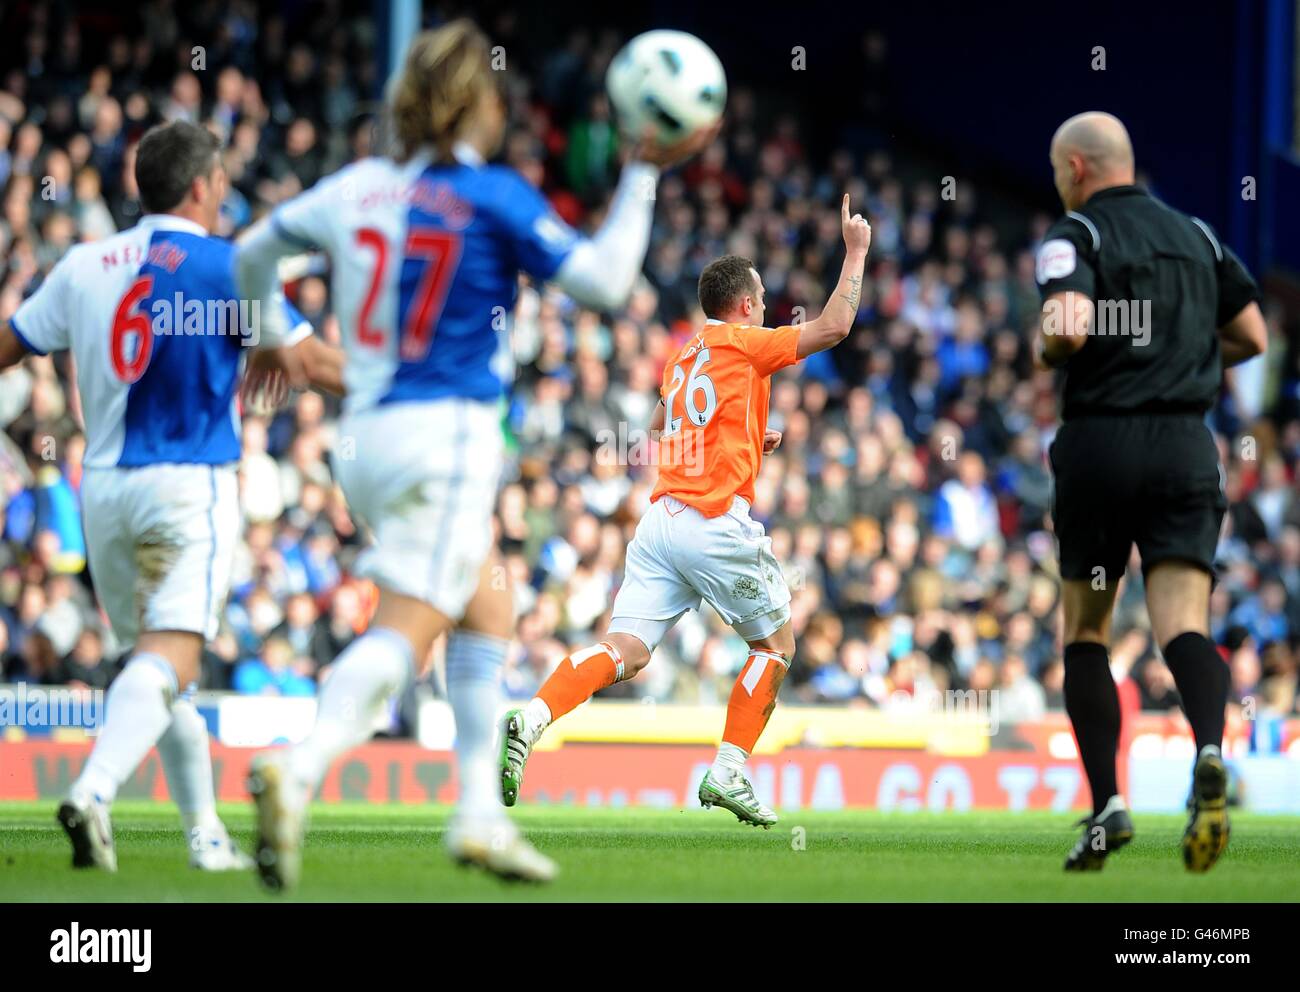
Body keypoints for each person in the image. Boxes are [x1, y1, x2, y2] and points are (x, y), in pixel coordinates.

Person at [234, 19, 715, 888]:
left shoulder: (358, 188)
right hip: (446, 435)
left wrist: (283, 336)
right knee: (409, 624)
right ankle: (299, 765)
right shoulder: (493, 195)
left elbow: (250, 255)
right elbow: (606, 284)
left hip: (364, 440)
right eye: (494, 96)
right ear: (473, 103)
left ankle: (478, 817)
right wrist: (643, 172)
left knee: (487, 605)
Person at [0, 120, 338, 872]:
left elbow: (11, 342)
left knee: (153, 670)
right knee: (170, 661)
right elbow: (309, 360)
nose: (224, 195)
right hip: (188, 488)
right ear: (201, 186)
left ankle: (205, 838)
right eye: (220, 184)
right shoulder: (233, 267)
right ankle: (91, 790)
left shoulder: (84, 265)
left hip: (106, 493)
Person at [499, 196, 871, 827]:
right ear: (749, 305)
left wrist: (747, 436)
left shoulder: (684, 354)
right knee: (776, 645)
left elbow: (657, 425)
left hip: (661, 521)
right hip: (713, 520)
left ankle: (531, 717)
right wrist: (856, 249)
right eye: (761, 299)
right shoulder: (748, 344)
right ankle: (728, 770)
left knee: (627, 648)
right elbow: (834, 327)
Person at [1034, 111, 1267, 872]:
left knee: (1087, 630)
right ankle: (1207, 751)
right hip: (1184, 448)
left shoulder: (1078, 236)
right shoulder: (1199, 236)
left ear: (1076, 168)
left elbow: (1065, 329)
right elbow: (1253, 337)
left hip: (1103, 443)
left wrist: (1048, 345)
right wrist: (1182, 355)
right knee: (1183, 627)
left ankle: (1106, 806)